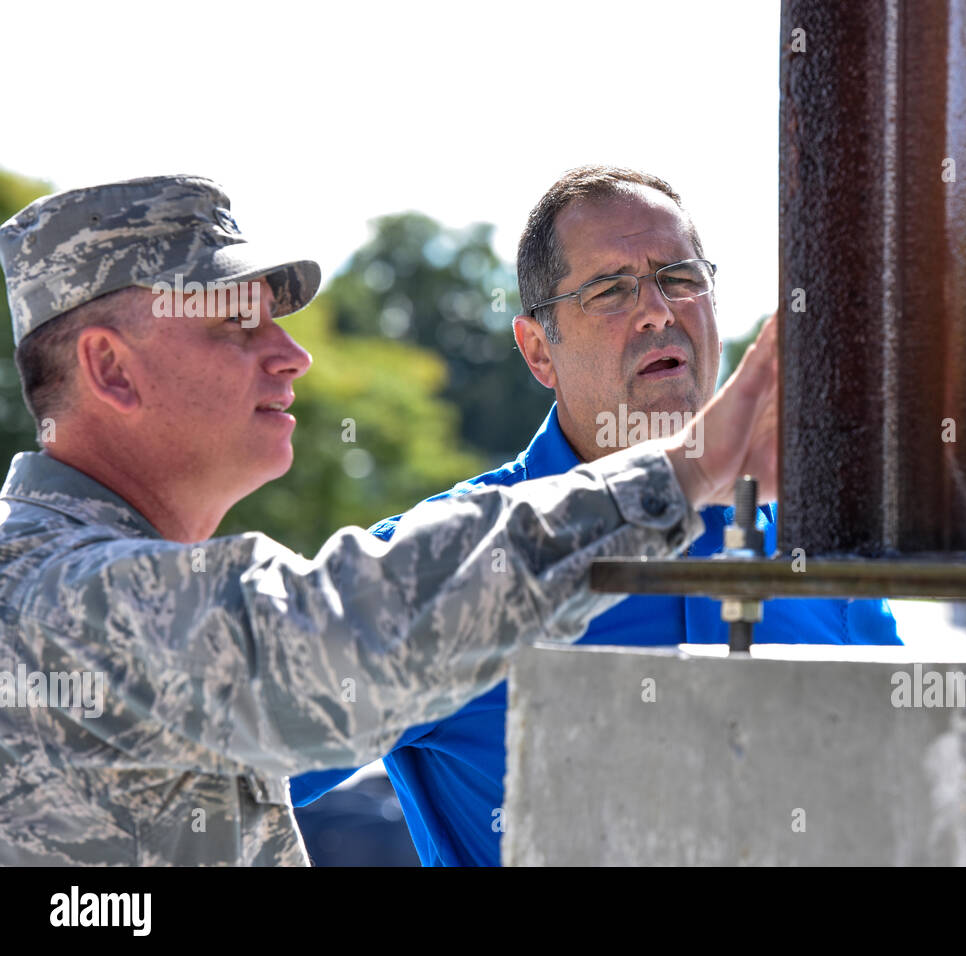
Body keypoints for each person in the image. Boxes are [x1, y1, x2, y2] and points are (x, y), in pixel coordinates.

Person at [0, 174, 778, 865]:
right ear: (109, 368)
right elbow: (340, 637)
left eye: (680, 277)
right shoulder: (48, 599)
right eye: (238, 324)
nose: (292, 354)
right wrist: (683, 474)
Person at [291, 166, 897, 866]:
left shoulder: (820, 550)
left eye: (680, 277)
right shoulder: (446, 568)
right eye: (611, 289)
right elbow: (232, 761)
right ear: (538, 350)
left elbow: (896, 798)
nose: (658, 311)